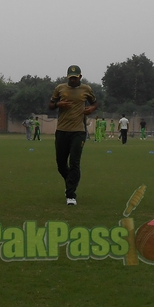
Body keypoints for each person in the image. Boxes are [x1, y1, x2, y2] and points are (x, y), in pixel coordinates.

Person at [49, 65, 98, 206]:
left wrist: (91, 109)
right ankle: (70, 181)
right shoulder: (60, 88)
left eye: (75, 78)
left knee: (74, 163)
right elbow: (51, 105)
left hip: (78, 131)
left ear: (80, 77)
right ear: (67, 77)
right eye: (70, 78)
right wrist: (59, 104)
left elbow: (95, 103)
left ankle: (71, 195)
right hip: (62, 130)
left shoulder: (86, 89)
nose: (72, 81)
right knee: (60, 163)